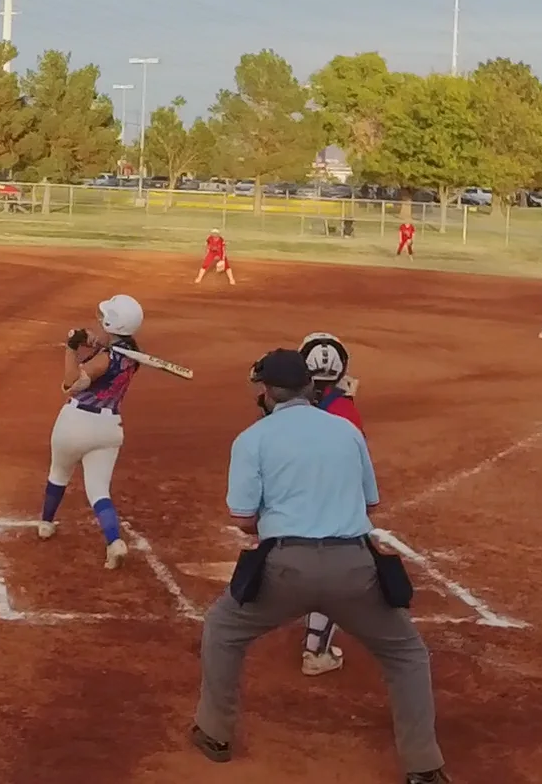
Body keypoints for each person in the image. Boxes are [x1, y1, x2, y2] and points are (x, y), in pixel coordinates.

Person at [190, 348, 448, 783]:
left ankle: (214, 734)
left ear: (267, 391)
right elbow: (371, 501)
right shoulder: (346, 430)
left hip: (285, 569)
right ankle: (424, 767)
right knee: (406, 654)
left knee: (223, 629)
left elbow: (242, 518)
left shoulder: (253, 438)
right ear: (311, 387)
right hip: (355, 569)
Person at [35, 295, 144, 570]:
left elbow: (72, 383)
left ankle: (46, 524)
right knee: (98, 490)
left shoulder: (105, 360)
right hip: (109, 429)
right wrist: (91, 339)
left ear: (112, 322)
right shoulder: (132, 357)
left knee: (59, 473)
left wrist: (71, 348)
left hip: (76, 422)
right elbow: (111, 347)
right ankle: (114, 541)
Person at [296, 332, 361, 677]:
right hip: (328, 510)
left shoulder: (284, 405)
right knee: (335, 579)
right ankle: (315, 651)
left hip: (284, 507)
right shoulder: (347, 412)